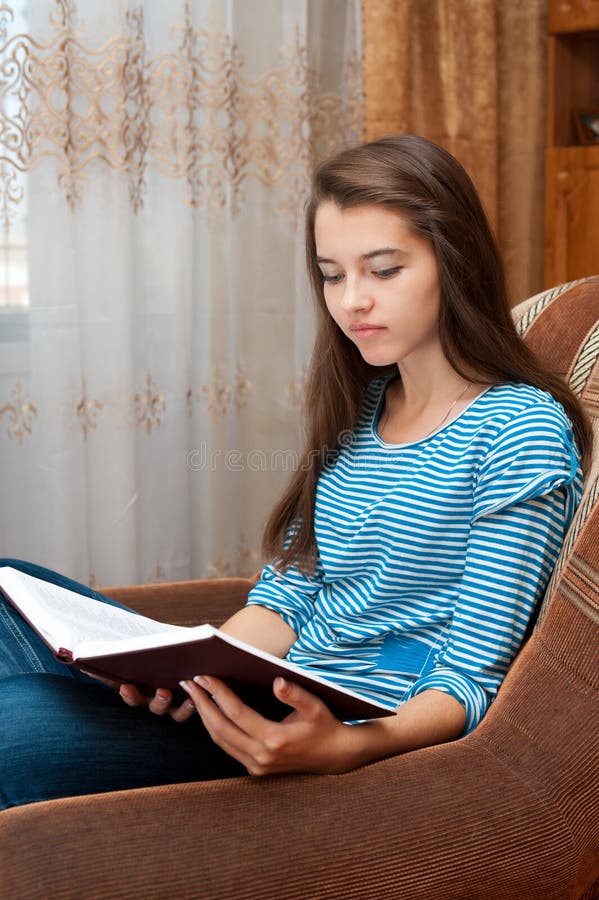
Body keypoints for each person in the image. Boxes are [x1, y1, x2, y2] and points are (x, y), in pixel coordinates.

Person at [0, 134, 592, 808]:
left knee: (17, 723)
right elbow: (287, 596)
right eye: (333, 275)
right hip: (266, 695)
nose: (352, 301)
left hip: (338, 728)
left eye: (383, 270)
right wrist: (193, 676)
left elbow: (470, 677)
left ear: (453, 262)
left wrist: (348, 748)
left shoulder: (517, 429)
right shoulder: (364, 400)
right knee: (10, 586)